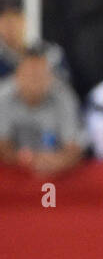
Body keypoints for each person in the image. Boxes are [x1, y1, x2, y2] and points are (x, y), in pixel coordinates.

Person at [0, 45, 84, 176]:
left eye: (40, 75)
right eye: (29, 74)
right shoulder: (3, 96)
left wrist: (60, 161)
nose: (34, 81)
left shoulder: (64, 96)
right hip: (14, 171)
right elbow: (2, 145)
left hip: (55, 173)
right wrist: (26, 159)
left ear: (51, 77)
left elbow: (74, 146)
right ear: (17, 75)